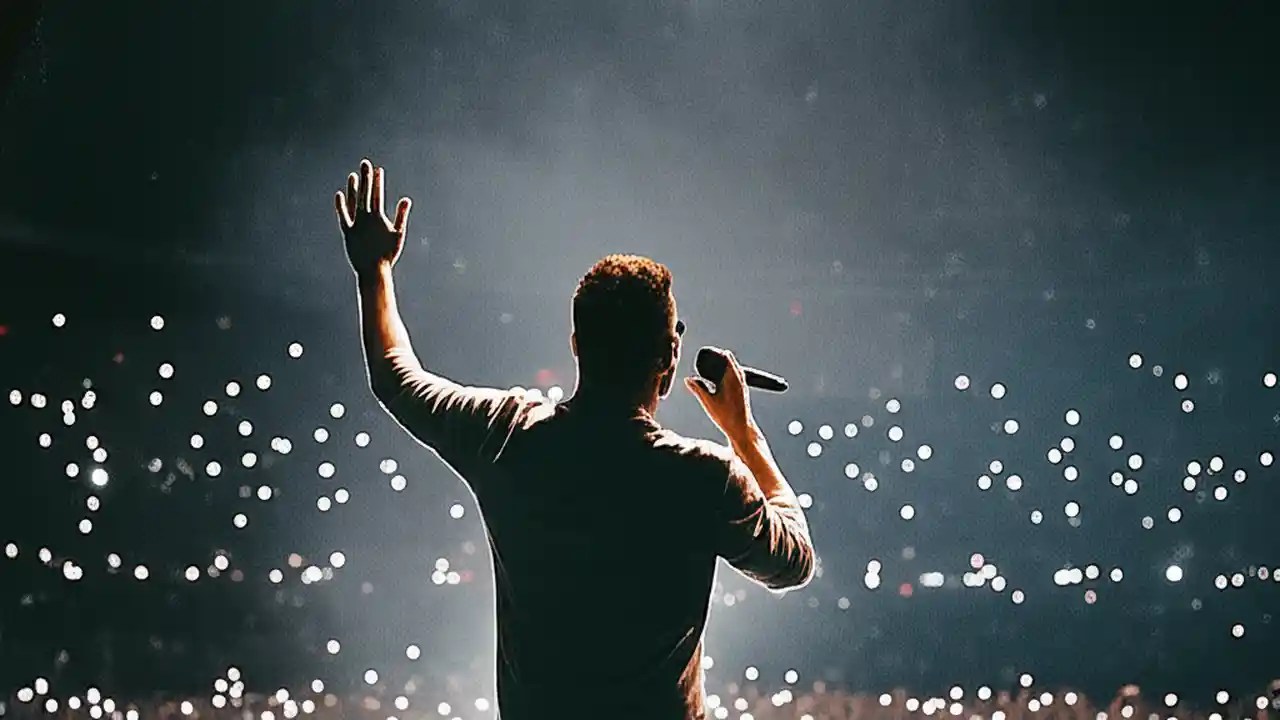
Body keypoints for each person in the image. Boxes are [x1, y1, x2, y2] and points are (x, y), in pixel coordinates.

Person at [335, 159, 816, 720]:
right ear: (669, 358)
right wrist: (743, 432)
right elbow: (794, 561)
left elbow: (395, 376)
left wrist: (374, 271)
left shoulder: (506, 436)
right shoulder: (704, 476)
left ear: (577, 345)